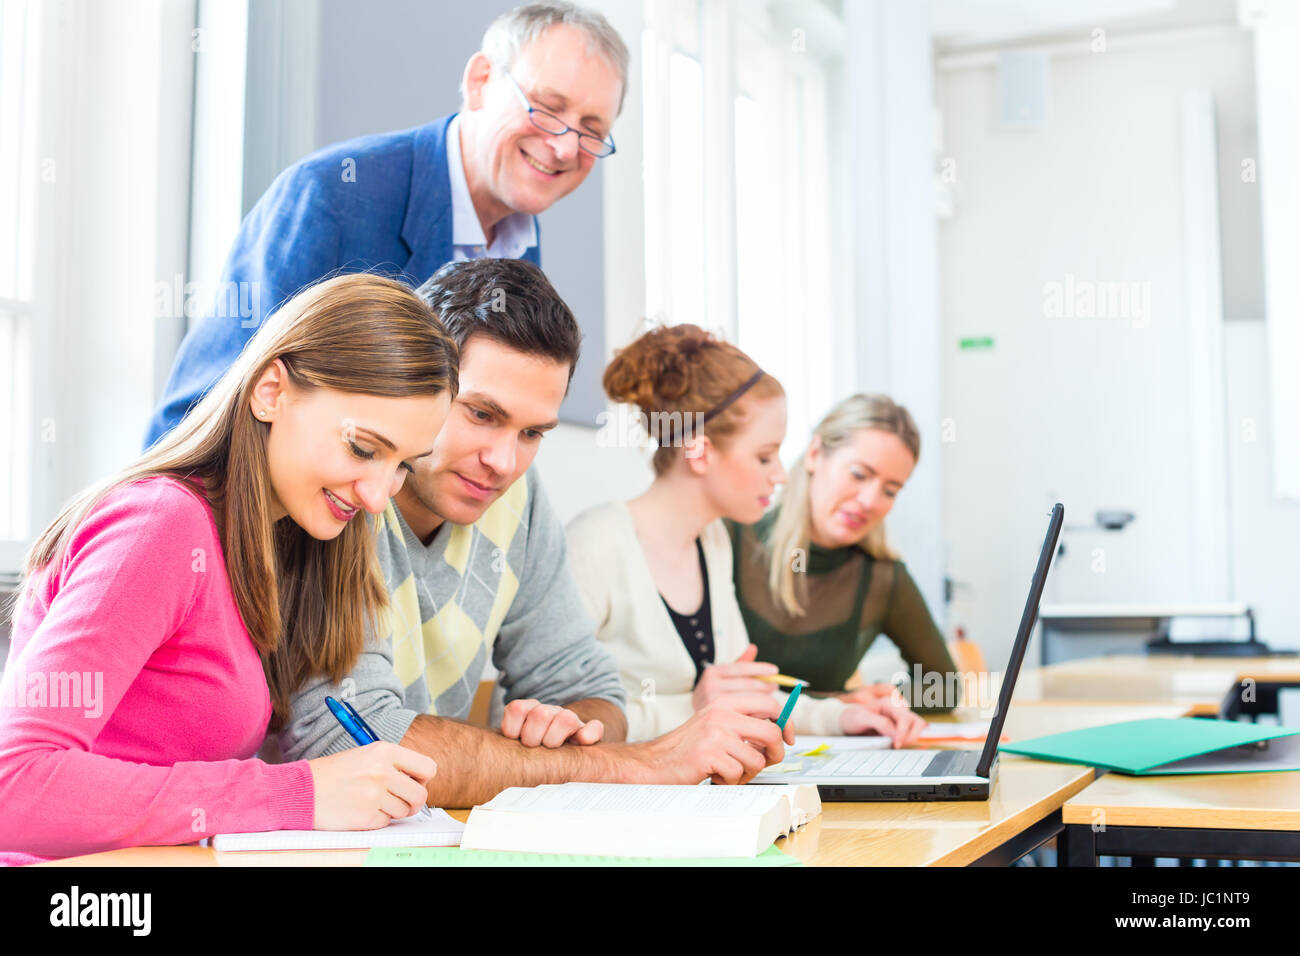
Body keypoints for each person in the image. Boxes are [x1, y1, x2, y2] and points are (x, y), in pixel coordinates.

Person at [280, 260, 792, 804]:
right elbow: (348, 743)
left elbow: (590, 691)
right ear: (419, 378)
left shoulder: (517, 502)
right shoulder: (340, 498)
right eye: (481, 414)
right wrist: (634, 764)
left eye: (531, 432)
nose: (503, 462)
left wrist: (565, 730)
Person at [0, 274, 455, 863]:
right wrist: (300, 792)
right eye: (363, 449)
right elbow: (16, 790)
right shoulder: (162, 526)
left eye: (402, 467)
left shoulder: (275, 546)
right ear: (271, 392)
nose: (376, 496)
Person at [144, 1, 628, 447]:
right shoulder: (332, 194)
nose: (566, 147)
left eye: (591, 129)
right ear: (481, 82)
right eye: (547, 108)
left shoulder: (522, 246)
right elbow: (209, 409)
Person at [566, 325, 917, 743]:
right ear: (700, 452)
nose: (782, 475)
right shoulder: (598, 542)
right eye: (765, 457)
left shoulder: (711, 541)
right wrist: (693, 711)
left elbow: (741, 693)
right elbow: (553, 719)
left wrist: (839, 717)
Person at [727, 393, 958, 721]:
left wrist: (859, 698)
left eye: (890, 491)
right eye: (859, 474)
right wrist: (833, 704)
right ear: (815, 454)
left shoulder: (880, 576)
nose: (870, 501)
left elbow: (944, 687)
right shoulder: (730, 538)